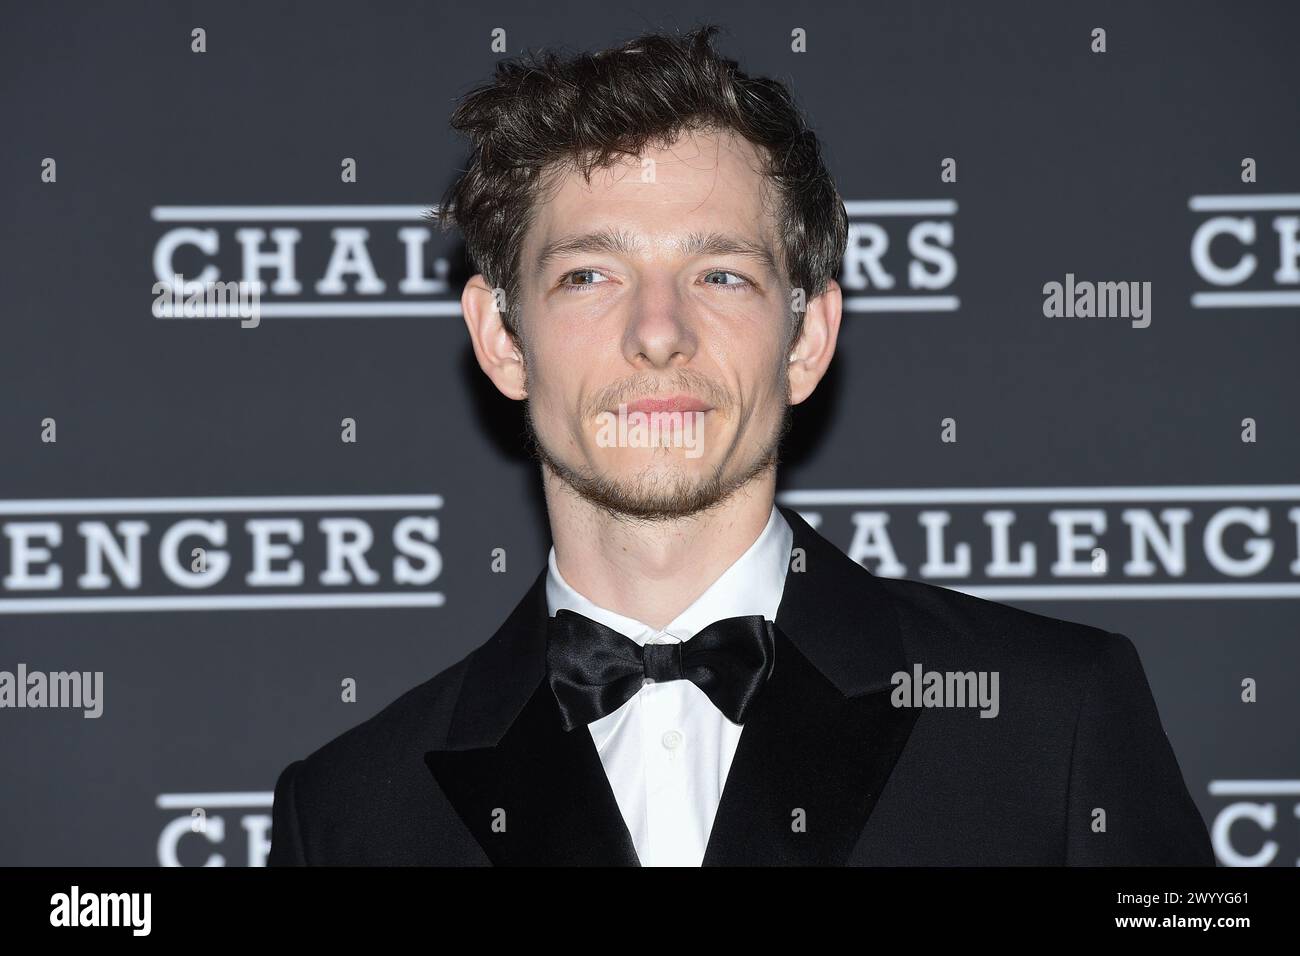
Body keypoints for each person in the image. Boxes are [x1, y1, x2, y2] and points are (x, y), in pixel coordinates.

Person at [268, 25, 1213, 866]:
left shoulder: (1053, 721)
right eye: (590, 274)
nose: (658, 331)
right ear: (502, 340)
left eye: (719, 274)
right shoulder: (349, 815)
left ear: (806, 338)